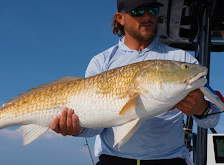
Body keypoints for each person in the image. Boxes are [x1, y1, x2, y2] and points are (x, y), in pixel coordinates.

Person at [50, 0, 221, 164]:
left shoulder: (182, 60)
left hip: (169, 160)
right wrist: (76, 128)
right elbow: (97, 124)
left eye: (152, 10)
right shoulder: (101, 62)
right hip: (113, 159)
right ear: (120, 18)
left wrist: (201, 109)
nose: (147, 17)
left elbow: (212, 118)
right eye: (138, 11)